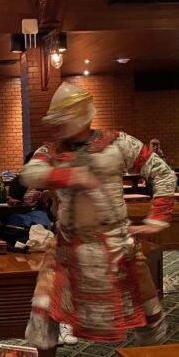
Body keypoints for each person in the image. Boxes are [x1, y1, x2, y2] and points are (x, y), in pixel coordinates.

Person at [21, 82, 176, 357]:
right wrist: (72, 176)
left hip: (117, 247)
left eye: (62, 119)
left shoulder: (117, 142)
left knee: (149, 317)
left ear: (79, 115)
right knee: (44, 315)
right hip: (67, 248)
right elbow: (30, 173)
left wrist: (158, 218)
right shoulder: (51, 150)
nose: (57, 127)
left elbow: (163, 172)